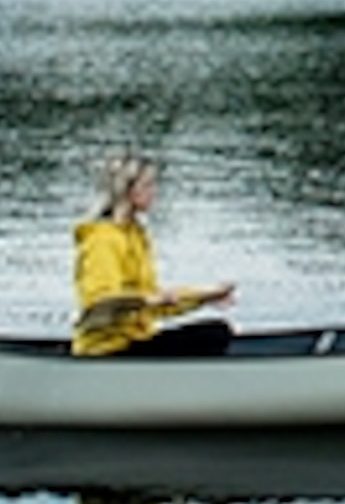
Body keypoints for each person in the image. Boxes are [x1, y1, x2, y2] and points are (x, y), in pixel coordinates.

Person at [72, 152, 236, 357]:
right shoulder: (102, 241)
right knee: (214, 334)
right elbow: (98, 304)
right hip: (107, 349)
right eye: (148, 185)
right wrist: (144, 300)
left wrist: (204, 297)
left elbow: (157, 304)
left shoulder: (136, 235)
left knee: (216, 331)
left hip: (138, 340)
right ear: (129, 191)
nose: (154, 192)